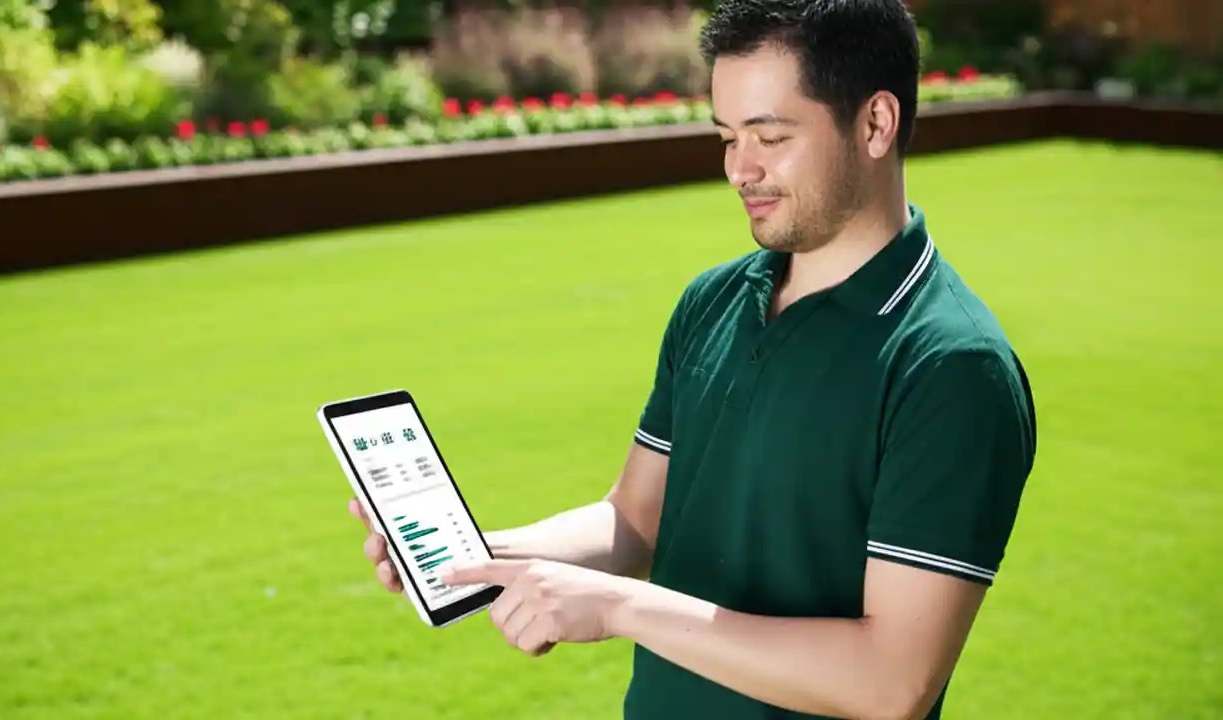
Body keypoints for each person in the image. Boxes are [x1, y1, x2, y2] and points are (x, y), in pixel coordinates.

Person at [349, 1, 1037, 718]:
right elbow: (637, 521)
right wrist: (476, 558)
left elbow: (892, 681)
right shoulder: (712, 302)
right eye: (727, 136)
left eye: (770, 136)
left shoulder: (952, 368)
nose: (741, 168)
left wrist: (619, 607)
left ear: (874, 123)